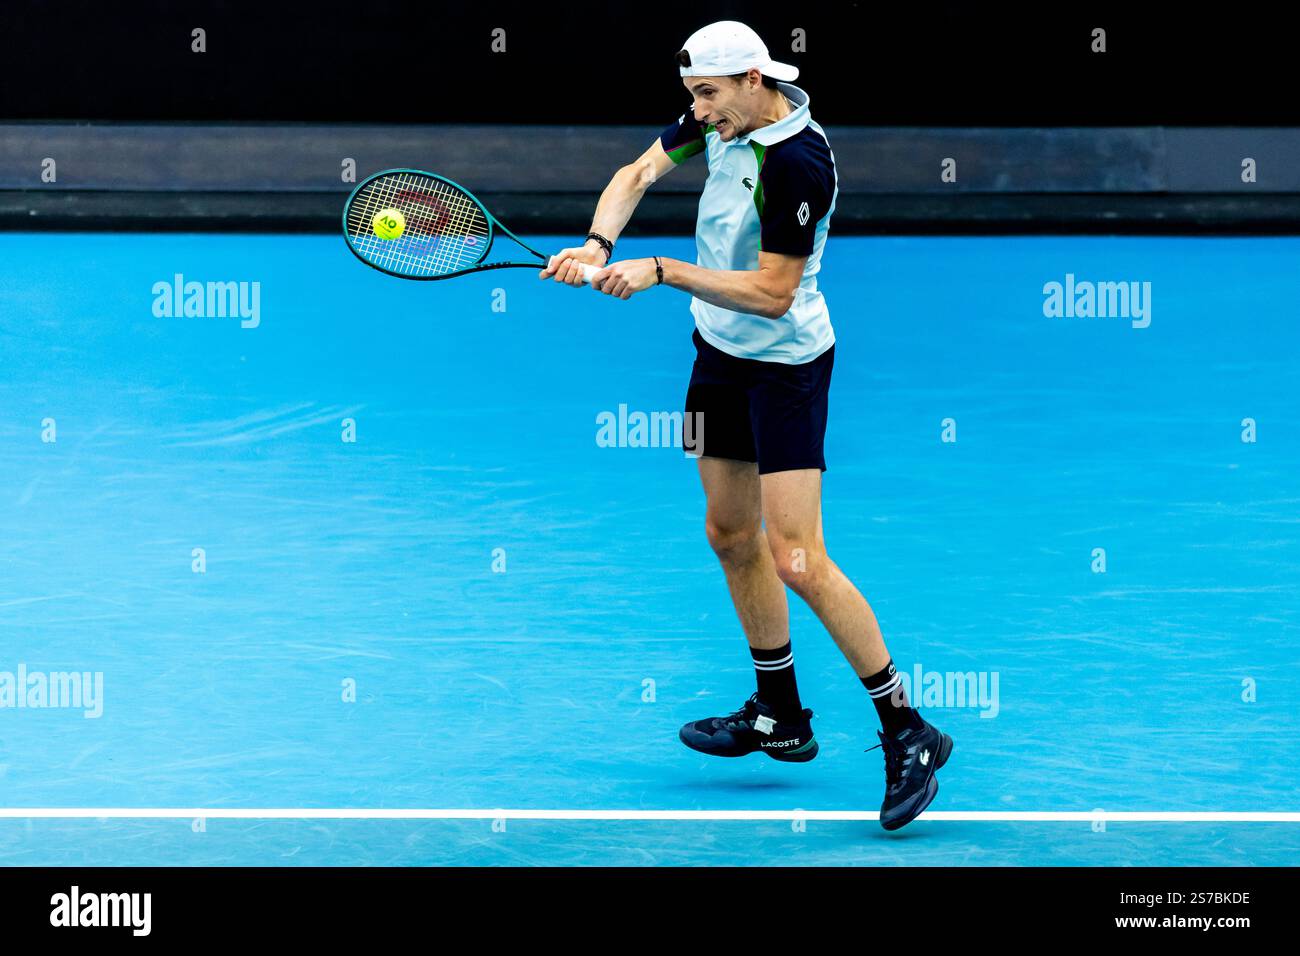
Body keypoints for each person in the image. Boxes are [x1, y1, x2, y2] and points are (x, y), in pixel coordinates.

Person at [540, 20, 953, 831]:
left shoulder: (797, 162)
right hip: (716, 355)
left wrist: (659, 270)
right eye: (692, 96)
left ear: (754, 80)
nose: (696, 113)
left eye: (708, 95)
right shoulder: (717, 118)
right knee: (730, 534)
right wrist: (595, 244)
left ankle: (910, 728)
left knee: (796, 556)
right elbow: (635, 173)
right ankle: (780, 713)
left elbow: (771, 293)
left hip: (787, 369)